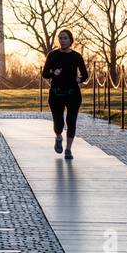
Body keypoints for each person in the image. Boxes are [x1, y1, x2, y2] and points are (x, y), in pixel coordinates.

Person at [42, 28, 88, 160]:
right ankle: (58, 137)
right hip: (56, 94)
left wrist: (80, 79)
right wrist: (53, 74)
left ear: (70, 40)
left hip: (73, 94)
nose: (62, 41)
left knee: (71, 121)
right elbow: (44, 73)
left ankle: (68, 149)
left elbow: (85, 74)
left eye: (65, 38)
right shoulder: (52, 55)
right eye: (60, 38)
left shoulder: (76, 56)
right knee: (58, 123)